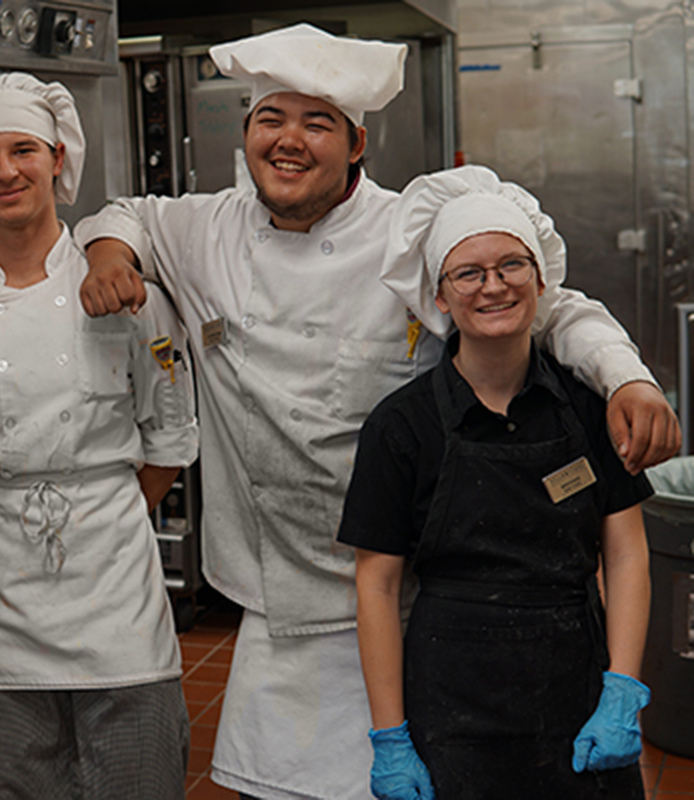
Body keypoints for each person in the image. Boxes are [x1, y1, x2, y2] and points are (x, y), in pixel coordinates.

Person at [73, 23, 678, 800]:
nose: (289, 142)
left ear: (357, 142)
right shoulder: (201, 230)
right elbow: (117, 216)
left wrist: (626, 377)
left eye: (317, 123)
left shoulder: (408, 231)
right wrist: (107, 256)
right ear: (248, 134)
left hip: (407, 603)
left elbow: (549, 308)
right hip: (273, 600)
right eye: (270, 120)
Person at [0, 72, 199, 799]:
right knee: (26, 788)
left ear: (57, 159)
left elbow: (168, 433)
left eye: (24, 150)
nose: (6, 172)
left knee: (142, 782)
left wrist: (98, 504)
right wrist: (17, 493)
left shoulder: (127, 291)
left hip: (117, 589)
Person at [339, 165, 652, 799]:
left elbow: (625, 552)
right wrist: (389, 735)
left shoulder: (589, 406)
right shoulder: (402, 427)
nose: (494, 287)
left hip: (577, 690)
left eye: (511, 266)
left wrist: (622, 688)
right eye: (469, 273)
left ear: (542, 280)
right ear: (439, 297)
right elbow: (376, 582)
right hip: (453, 703)